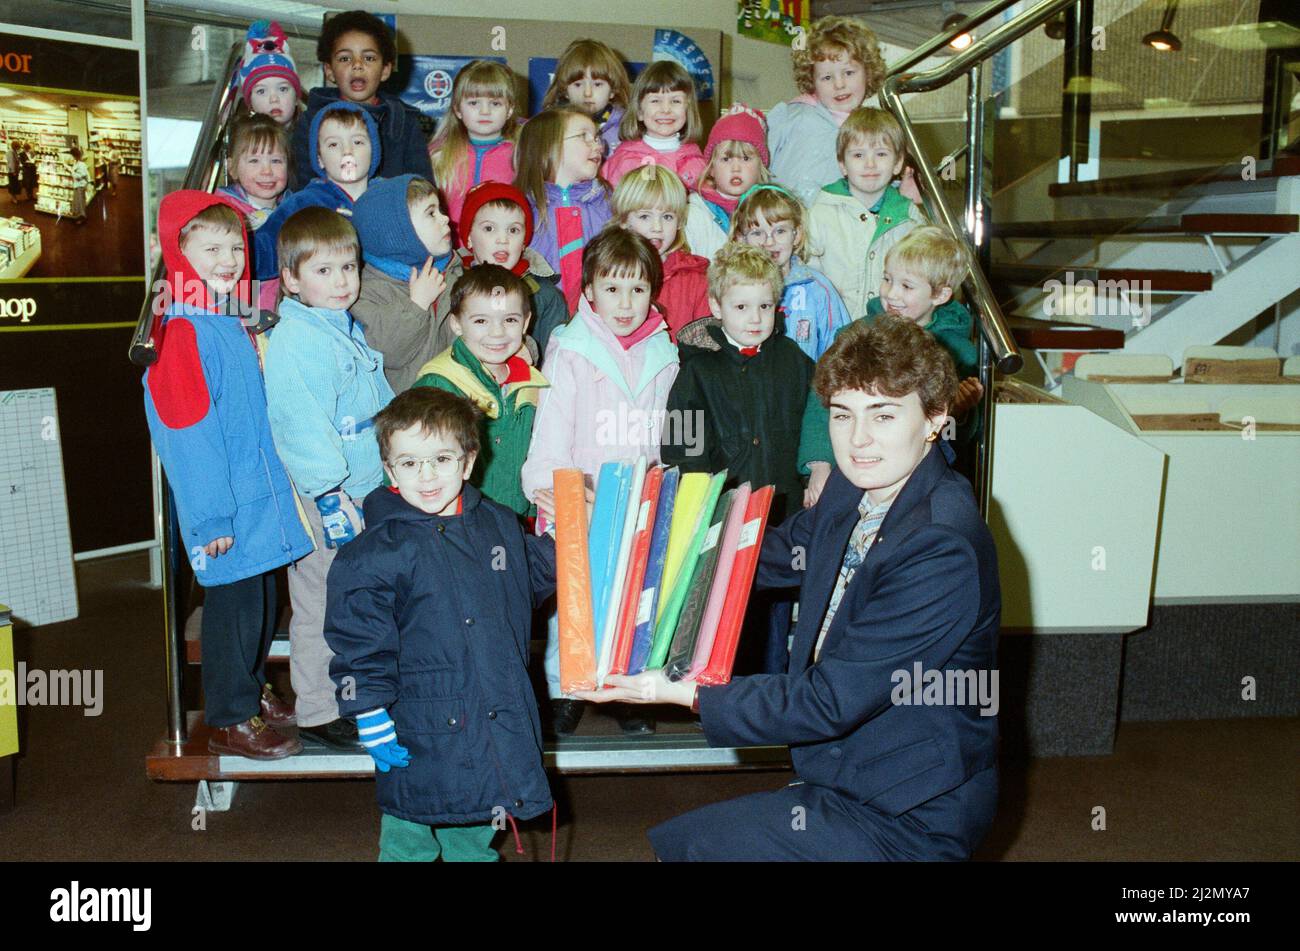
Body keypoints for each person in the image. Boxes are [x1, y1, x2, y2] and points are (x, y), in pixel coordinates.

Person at [578, 315, 1001, 861]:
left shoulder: (940, 545)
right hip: (852, 769)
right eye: (843, 415)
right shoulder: (856, 488)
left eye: (884, 415)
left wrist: (683, 690)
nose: (858, 439)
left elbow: (828, 700)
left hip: (912, 809)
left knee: (695, 849)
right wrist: (639, 522)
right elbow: (760, 555)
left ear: (935, 419)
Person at [324, 387, 557, 862]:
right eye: (409, 463)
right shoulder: (373, 552)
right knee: (408, 835)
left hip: (489, 711)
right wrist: (368, 711)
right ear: (390, 471)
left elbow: (527, 582)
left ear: (468, 462)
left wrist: (561, 538)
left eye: (442, 459)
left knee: (474, 833)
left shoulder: (497, 524)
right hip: (417, 722)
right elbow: (358, 641)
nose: (427, 476)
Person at [142, 190, 311, 759]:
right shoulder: (182, 332)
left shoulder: (223, 318)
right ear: (177, 251)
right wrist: (211, 514)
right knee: (233, 608)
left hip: (253, 492)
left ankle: (252, 686)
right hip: (225, 503)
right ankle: (229, 714)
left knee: (260, 601)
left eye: (234, 247)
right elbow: (188, 436)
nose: (227, 260)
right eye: (209, 248)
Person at [521, 228, 678, 737]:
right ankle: (566, 689)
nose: (626, 303)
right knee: (575, 595)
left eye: (637, 289)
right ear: (588, 290)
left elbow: (665, 430)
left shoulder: (664, 351)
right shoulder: (571, 347)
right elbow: (553, 425)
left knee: (635, 595)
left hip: (639, 494)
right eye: (612, 289)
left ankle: (628, 688)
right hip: (582, 493)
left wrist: (661, 484)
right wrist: (557, 487)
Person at [262, 206, 395, 751]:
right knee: (319, 600)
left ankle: (358, 695)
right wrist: (329, 493)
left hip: (362, 487)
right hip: (327, 498)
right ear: (291, 280)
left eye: (350, 267)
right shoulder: (298, 339)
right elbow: (298, 423)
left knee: (355, 600)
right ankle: (317, 708)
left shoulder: (337, 327)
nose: (343, 281)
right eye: (324, 270)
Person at [662, 243, 814, 675]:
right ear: (716, 306)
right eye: (742, 306)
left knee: (774, 602)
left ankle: (771, 686)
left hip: (781, 507)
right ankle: (716, 685)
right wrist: (701, 497)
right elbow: (681, 444)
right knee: (723, 603)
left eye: (765, 306)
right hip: (724, 509)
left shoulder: (793, 361)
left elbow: (814, 421)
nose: (755, 318)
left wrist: (813, 470)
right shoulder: (697, 370)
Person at [800, 226, 985, 506]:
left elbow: (958, 439)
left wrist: (960, 411)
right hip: (853, 469)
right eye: (887, 279)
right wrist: (820, 464)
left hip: (917, 484)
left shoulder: (959, 353)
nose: (891, 294)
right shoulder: (856, 336)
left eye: (907, 286)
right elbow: (821, 401)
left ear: (940, 295)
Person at [411, 264, 548, 517]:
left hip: (515, 518)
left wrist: (530, 513)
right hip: (459, 524)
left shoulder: (531, 384)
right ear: (457, 324)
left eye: (509, 320)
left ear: (526, 322)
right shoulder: (439, 386)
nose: (497, 333)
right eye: (481, 321)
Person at [805, 107, 927, 321]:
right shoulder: (822, 211)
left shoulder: (908, 217)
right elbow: (805, 273)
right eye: (858, 155)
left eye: (881, 154)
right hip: (835, 332)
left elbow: (928, 270)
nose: (870, 164)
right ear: (842, 164)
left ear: (898, 162)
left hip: (891, 334)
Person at [349, 174, 460, 392]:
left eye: (440, 210)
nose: (445, 218)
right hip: (405, 416)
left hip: (453, 409)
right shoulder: (366, 290)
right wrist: (417, 305)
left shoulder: (454, 273)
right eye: (431, 213)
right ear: (398, 234)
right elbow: (387, 353)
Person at [291, 9, 430, 183]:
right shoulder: (311, 122)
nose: (357, 65)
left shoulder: (404, 123)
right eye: (345, 59)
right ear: (329, 71)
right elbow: (304, 186)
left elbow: (421, 186)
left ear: (385, 70)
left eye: (369, 58)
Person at [767, 15, 887, 207]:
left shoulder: (870, 131)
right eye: (826, 77)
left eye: (849, 73)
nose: (839, 84)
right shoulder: (793, 116)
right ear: (812, 80)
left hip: (832, 230)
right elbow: (755, 160)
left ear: (868, 73)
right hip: (779, 226)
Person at [254, 100, 380, 280]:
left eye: (358, 141)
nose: (347, 151)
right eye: (333, 144)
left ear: (373, 150)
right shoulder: (304, 204)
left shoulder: (391, 199)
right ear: (319, 158)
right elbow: (264, 251)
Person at [732, 183, 850, 362]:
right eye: (757, 233)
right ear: (741, 238)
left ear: (797, 235)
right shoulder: (731, 289)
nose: (769, 242)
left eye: (780, 231)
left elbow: (841, 350)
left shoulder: (817, 288)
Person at [455, 181, 566, 362]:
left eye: (513, 230)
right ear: (468, 238)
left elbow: (556, 363)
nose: (502, 239)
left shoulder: (545, 296)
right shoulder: (448, 284)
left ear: (524, 242)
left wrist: (530, 352)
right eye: (489, 228)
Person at [515, 107, 612, 312]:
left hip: (598, 319)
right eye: (584, 137)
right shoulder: (522, 210)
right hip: (541, 316)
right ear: (547, 147)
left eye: (596, 138)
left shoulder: (608, 203)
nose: (598, 146)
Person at [610, 164, 710, 342]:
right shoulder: (605, 274)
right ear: (623, 220)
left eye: (667, 217)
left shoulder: (696, 280)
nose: (657, 227)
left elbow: (706, 346)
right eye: (644, 216)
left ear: (680, 222)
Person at [428, 59, 520, 227]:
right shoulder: (438, 156)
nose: (485, 111)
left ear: (510, 110)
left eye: (495, 103)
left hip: (502, 248)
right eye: (474, 103)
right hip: (452, 250)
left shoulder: (520, 155)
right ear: (457, 109)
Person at [217, 114, 291, 310]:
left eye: (276, 161)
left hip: (285, 315)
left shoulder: (295, 209)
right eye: (254, 161)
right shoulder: (223, 213)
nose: (267, 171)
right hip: (243, 315)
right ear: (232, 168)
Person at [601, 60, 706, 190]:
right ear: (639, 110)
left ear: (688, 109)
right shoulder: (624, 161)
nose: (666, 109)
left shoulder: (696, 162)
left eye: (676, 101)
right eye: (655, 100)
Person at [683, 104, 769, 261]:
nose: (736, 168)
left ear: (761, 166)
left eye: (746, 158)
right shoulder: (695, 214)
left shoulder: (770, 211)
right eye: (726, 159)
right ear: (711, 169)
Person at [540, 38, 631, 157]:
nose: (587, 93)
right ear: (564, 90)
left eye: (597, 84)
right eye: (578, 84)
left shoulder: (628, 129)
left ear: (613, 90)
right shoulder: (551, 129)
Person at [238, 19, 303, 128]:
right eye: (261, 91)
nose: (274, 99)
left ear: (296, 98)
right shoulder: (246, 141)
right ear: (250, 104)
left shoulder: (312, 137)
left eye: (283, 89)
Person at [68, 147, 90, 224]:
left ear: (74, 155)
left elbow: (79, 176)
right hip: (78, 185)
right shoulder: (77, 163)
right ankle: (79, 216)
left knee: (80, 202)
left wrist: (71, 171)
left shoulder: (81, 164)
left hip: (80, 185)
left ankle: (82, 218)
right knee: (78, 201)